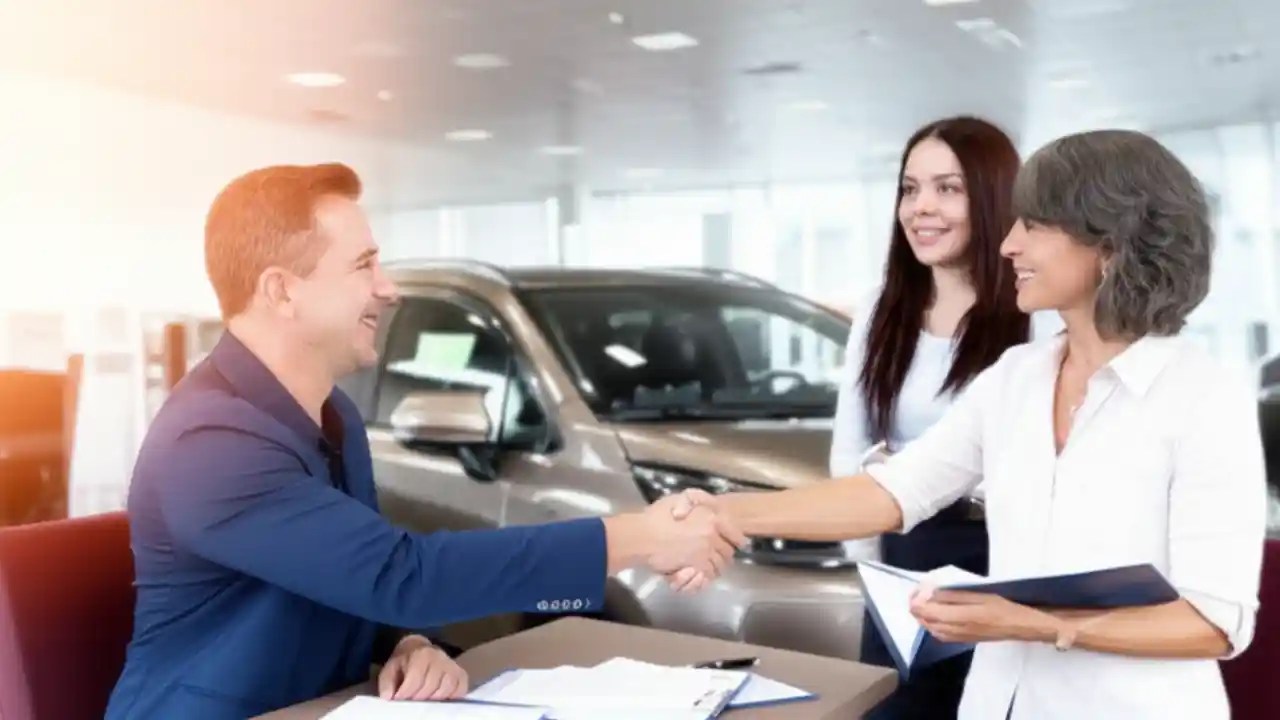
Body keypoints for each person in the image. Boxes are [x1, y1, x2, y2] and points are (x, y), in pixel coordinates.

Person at [105, 163, 746, 720]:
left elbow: (352, 576)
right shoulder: (211, 441)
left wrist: (407, 642)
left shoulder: (334, 417)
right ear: (281, 291)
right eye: (364, 266)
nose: (388, 288)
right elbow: (401, 574)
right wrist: (643, 537)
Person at [676, 129, 1268, 719]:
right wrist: (726, 513)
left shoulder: (1204, 398)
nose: (1008, 244)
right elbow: (893, 492)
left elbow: (1214, 622)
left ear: (1109, 248)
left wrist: (1037, 625)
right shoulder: (1017, 377)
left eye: (1032, 226)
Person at [829, 116, 1029, 719]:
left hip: (1006, 557)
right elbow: (851, 445)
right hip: (903, 556)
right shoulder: (881, 310)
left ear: (992, 198)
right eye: (909, 189)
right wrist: (872, 566)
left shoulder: (1032, 313)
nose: (922, 208)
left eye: (948, 188)